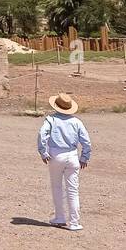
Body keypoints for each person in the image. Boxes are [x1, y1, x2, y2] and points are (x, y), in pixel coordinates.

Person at [37, 93, 91, 230]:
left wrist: (43, 152)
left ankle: (60, 217)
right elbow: (86, 141)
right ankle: (74, 222)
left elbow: (42, 134)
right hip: (72, 155)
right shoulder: (77, 122)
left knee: (57, 187)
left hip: (56, 154)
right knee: (73, 189)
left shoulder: (51, 120)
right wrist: (84, 157)